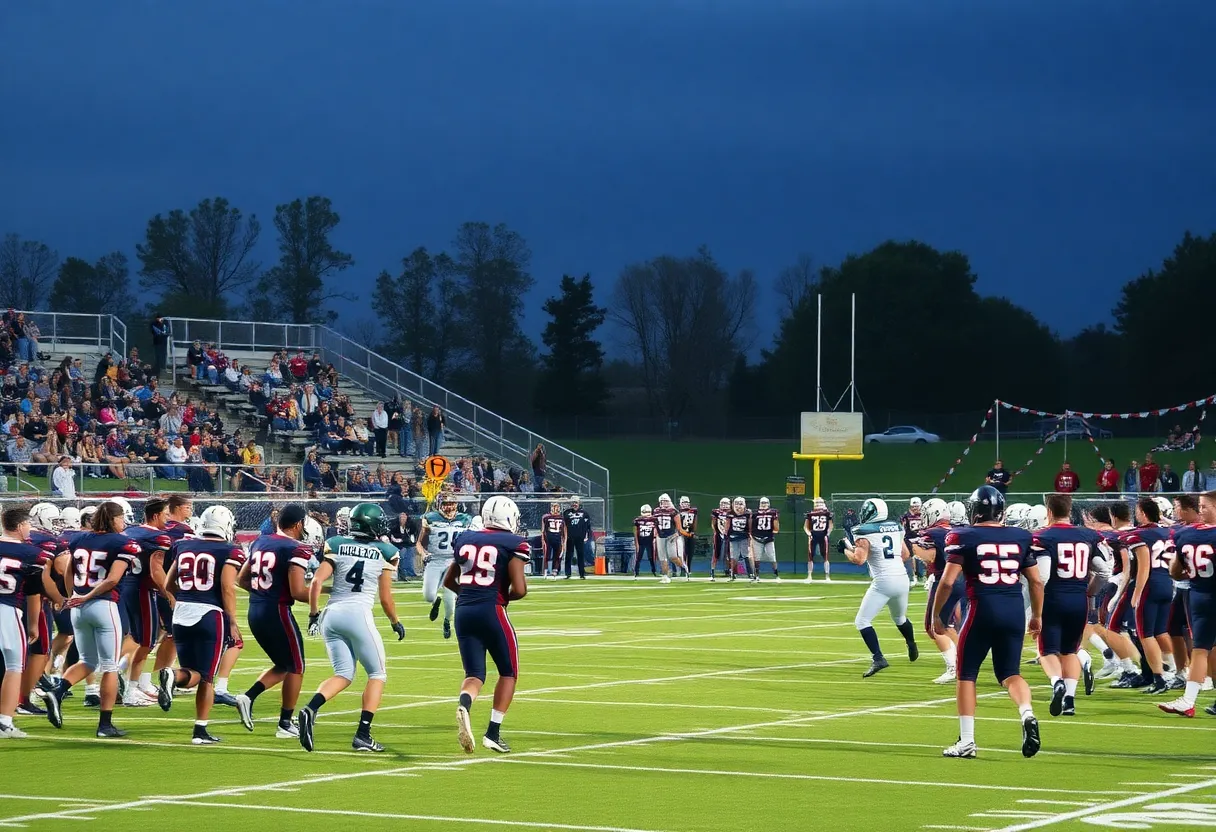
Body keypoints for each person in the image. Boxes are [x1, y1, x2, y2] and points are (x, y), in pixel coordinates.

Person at [933, 485, 1043, 759]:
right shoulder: (1020, 536)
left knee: (966, 674)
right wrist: (1037, 616)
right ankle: (1027, 713)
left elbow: (947, 581)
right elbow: (1036, 581)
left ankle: (967, 741)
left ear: (976, 511)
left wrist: (938, 615)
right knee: (1010, 673)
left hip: (982, 608)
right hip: (1014, 610)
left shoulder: (964, 535)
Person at [299, 503, 405, 753]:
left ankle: (310, 709)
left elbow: (315, 582)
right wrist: (395, 621)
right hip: (358, 614)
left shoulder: (336, 544)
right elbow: (386, 599)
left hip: (331, 615)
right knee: (377, 675)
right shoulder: (386, 551)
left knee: (344, 674)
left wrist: (314, 615)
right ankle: (363, 735)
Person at [42, 500, 141, 738]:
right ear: (114, 519)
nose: (123, 523)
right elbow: (112, 580)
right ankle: (105, 725)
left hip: (78, 607)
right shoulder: (123, 542)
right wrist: (86, 596)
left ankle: (56, 692)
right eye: (120, 518)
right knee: (109, 666)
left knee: (87, 661)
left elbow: (67, 572)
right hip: (103, 605)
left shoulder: (78, 539)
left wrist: (72, 596)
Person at [159, 506, 250, 744]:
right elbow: (227, 588)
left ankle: (172, 675)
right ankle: (200, 730)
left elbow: (169, 584)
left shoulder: (184, 545)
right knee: (207, 677)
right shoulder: (230, 550)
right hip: (210, 615)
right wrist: (232, 621)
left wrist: (187, 599)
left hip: (181, 613)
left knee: (194, 673)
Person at [445, 495, 528, 754]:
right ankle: (493, 732)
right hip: (491, 609)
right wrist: (503, 599)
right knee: (508, 671)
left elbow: (449, 581)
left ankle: (465, 704)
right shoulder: (514, 543)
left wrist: (469, 595)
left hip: (463, 610)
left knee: (474, 675)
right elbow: (520, 589)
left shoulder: (465, 538)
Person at [236, 504, 315, 738]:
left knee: (284, 665)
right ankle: (285, 723)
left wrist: (263, 594)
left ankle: (247, 697)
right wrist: (330, 591)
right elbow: (298, 592)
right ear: (298, 524)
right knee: (297, 667)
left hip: (255, 610)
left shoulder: (261, 541)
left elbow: (241, 580)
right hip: (277, 612)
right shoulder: (295, 548)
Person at [1032, 494, 1104, 718]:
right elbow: (1104, 570)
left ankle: (1056, 683)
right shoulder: (1087, 535)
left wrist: (1035, 609)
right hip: (1078, 599)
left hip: (1053, 598)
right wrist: (1089, 590)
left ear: (1049, 512)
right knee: (1070, 650)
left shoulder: (1043, 536)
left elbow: (1042, 577)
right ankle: (1070, 700)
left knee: (1047, 651)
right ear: (1069, 510)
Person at [843, 498, 918, 678]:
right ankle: (911, 642)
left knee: (862, 621)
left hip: (884, 581)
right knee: (899, 618)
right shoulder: (895, 527)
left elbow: (859, 559)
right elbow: (906, 555)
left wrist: (844, 550)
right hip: (902, 578)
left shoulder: (862, 531)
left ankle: (878, 658)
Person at [1159, 491, 1216, 717]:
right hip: (1204, 595)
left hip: (1199, 594)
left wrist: (1193, 575)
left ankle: (1188, 700)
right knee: (1202, 649)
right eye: (1200, 506)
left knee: (1203, 649)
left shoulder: (1184, 534)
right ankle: (1188, 700)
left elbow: (1175, 571)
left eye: (1204, 507)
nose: (1201, 511)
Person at [120, 498, 174, 708]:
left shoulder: (131, 532)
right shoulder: (158, 537)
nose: (168, 518)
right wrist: (167, 592)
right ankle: (131, 689)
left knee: (137, 636)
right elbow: (155, 569)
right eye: (165, 514)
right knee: (146, 642)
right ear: (155, 515)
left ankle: (120, 672)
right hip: (142, 589)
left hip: (126, 585)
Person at [0, 505, 48, 739]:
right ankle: (5, 722)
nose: (30, 528)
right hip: (8, 611)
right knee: (14, 666)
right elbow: (34, 591)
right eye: (28, 524)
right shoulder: (32, 554)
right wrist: (32, 624)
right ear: (19, 527)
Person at [1119, 497, 1175, 694]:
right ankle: (1176, 671)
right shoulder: (1169, 532)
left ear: (1143, 513)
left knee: (1146, 635)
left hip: (1150, 585)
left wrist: (1136, 593)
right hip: (1168, 583)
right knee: (1161, 631)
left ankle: (1159, 678)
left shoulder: (1140, 535)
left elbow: (1144, 567)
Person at [910, 498, 964, 684]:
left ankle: (953, 667)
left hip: (944, 579)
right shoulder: (955, 530)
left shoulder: (932, 533)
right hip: (961, 579)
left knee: (934, 626)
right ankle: (962, 664)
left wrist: (912, 548)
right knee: (946, 625)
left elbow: (930, 556)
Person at [418, 494, 473, 639]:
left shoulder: (465, 519)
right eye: (446, 504)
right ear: (439, 504)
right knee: (428, 596)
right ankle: (436, 601)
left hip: (454, 562)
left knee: (450, 598)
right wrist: (423, 554)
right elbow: (418, 543)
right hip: (435, 560)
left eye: (452, 503)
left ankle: (447, 621)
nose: (449, 507)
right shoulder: (430, 518)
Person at [652, 493, 687, 583]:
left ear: (669, 502)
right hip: (660, 536)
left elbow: (679, 527)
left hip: (671, 535)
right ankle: (666, 576)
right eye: (662, 501)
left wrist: (677, 534)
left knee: (673, 557)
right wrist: (655, 535)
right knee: (662, 558)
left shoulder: (673, 511)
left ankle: (683, 567)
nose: (664, 503)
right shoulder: (655, 511)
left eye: (666, 501)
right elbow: (655, 524)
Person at [804, 497, 833, 583]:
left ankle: (827, 576)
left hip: (823, 535)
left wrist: (827, 534)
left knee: (826, 556)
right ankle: (809, 576)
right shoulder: (810, 514)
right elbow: (806, 526)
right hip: (813, 535)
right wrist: (809, 534)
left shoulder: (827, 514)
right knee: (810, 556)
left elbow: (831, 525)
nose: (817, 505)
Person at [751, 496, 780, 582]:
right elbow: (751, 525)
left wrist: (774, 531)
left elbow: (776, 527)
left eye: (765, 503)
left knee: (772, 557)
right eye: (762, 503)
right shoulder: (755, 513)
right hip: (757, 537)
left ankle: (776, 574)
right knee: (757, 557)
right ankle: (757, 575)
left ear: (768, 504)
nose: (764, 505)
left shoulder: (773, 513)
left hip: (769, 538)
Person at [562, 497, 592, 580]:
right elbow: (563, 526)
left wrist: (587, 536)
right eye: (573, 502)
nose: (574, 504)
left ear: (579, 503)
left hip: (580, 538)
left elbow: (588, 526)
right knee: (568, 555)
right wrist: (564, 537)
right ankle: (568, 573)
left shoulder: (584, 513)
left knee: (580, 555)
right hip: (569, 537)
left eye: (576, 502)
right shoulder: (566, 513)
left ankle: (582, 574)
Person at [387, 511, 421, 581]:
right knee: (402, 554)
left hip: (408, 543)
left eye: (404, 516)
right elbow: (391, 535)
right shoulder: (394, 525)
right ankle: (403, 573)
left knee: (410, 554)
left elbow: (414, 534)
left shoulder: (411, 524)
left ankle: (410, 573)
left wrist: (405, 539)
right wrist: (397, 539)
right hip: (397, 544)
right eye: (401, 516)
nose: (403, 518)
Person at [900, 497, 926, 587]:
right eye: (914, 506)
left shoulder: (924, 515)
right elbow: (902, 527)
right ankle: (912, 577)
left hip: (921, 538)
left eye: (917, 506)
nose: (915, 508)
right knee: (910, 558)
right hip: (909, 539)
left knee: (922, 558)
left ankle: (921, 576)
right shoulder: (906, 516)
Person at [540, 501, 566, 580]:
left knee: (557, 555)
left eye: (557, 507)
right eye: (554, 507)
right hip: (548, 538)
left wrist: (564, 542)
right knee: (547, 555)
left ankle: (555, 570)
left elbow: (564, 530)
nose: (555, 509)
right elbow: (543, 529)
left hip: (558, 538)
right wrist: (542, 539)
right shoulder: (546, 517)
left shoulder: (562, 517)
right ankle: (545, 570)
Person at [633, 504, 658, 578]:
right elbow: (635, 531)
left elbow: (656, 530)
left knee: (651, 557)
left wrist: (654, 539)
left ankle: (654, 571)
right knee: (638, 557)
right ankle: (636, 571)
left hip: (650, 541)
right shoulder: (637, 520)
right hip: (641, 541)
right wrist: (636, 542)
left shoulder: (654, 519)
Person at [710, 497, 730, 582]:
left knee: (729, 554)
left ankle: (730, 571)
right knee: (715, 554)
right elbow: (713, 523)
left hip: (729, 535)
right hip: (719, 534)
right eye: (723, 503)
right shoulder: (716, 512)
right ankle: (712, 571)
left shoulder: (731, 513)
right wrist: (715, 532)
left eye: (726, 503)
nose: (724, 505)